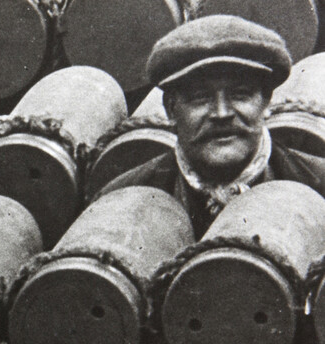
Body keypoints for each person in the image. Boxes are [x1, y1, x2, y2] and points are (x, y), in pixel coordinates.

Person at [95, 14, 325, 238]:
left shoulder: (318, 184)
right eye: (200, 97)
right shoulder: (121, 198)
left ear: (266, 101)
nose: (221, 113)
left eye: (240, 95)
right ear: (170, 108)